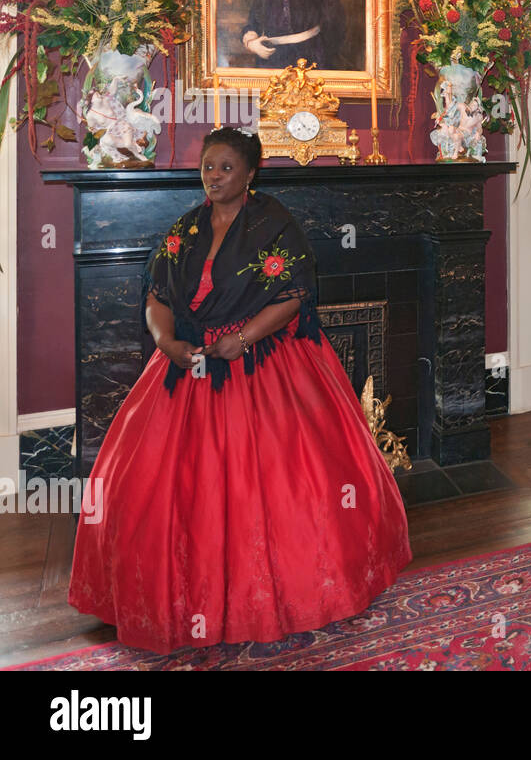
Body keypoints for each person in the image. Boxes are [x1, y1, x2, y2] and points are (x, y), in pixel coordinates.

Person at [66, 128, 412, 655]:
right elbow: (157, 295)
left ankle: (287, 595)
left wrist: (244, 337)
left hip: (263, 360)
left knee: (289, 482)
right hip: (188, 364)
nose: (215, 177)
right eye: (208, 167)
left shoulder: (276, 225)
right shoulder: (185, 228)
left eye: (226, 168)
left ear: (251, 174)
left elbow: (295, 296)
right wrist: (166, 341)